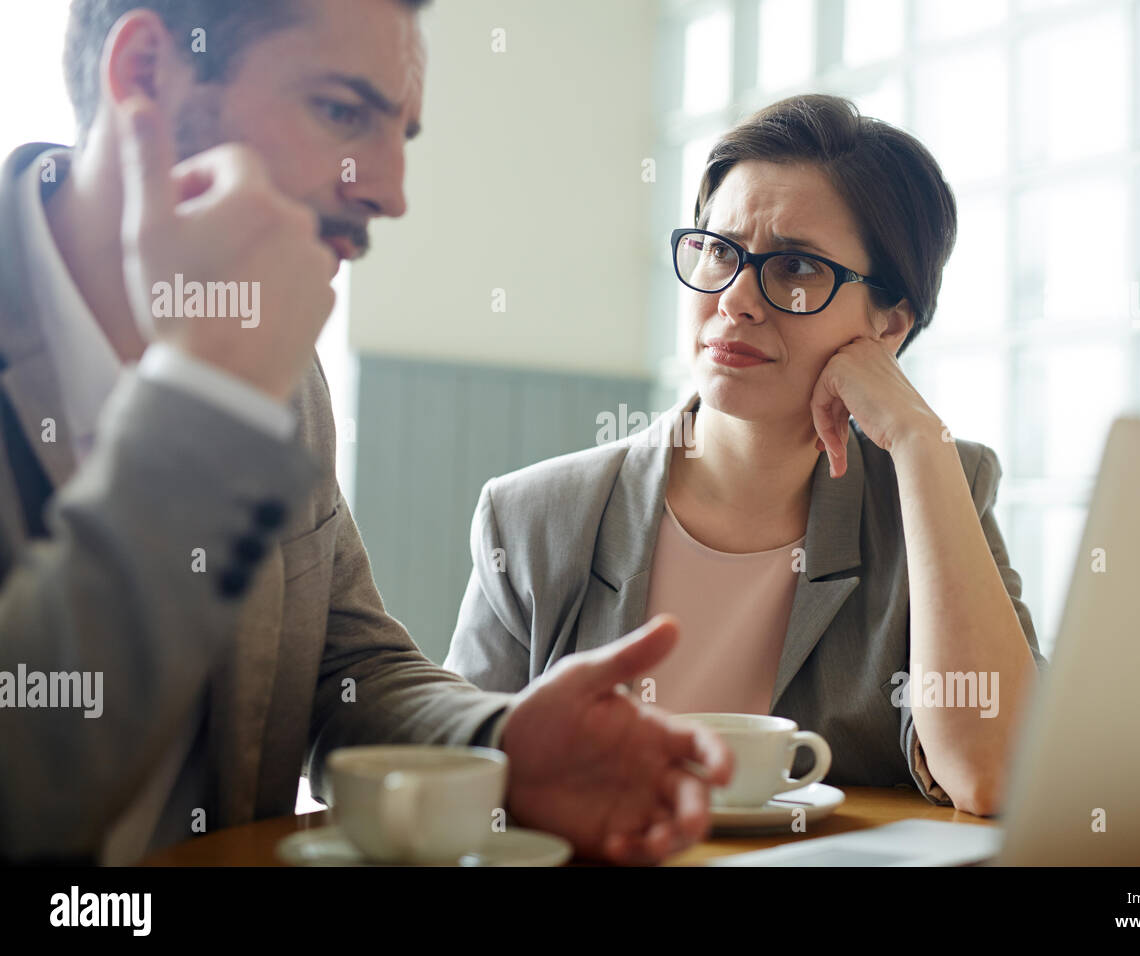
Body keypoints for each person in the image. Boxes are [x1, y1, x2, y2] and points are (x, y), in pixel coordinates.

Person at [0, 0, 730, 865]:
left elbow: (338, 666)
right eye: (342, 111)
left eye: (402, 134)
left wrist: (500, 744)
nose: (389, 190)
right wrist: (210, 400)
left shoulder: (273, 358)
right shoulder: (240, 367)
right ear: (147, 76)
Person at [445, 94, 1048, 816]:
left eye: (794, 266)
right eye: (717, 250)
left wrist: (920, 439)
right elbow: (458, 789)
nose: (734, 299)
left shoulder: (936, 490)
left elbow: (997, 775)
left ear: (888, 325)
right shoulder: (534, 518)